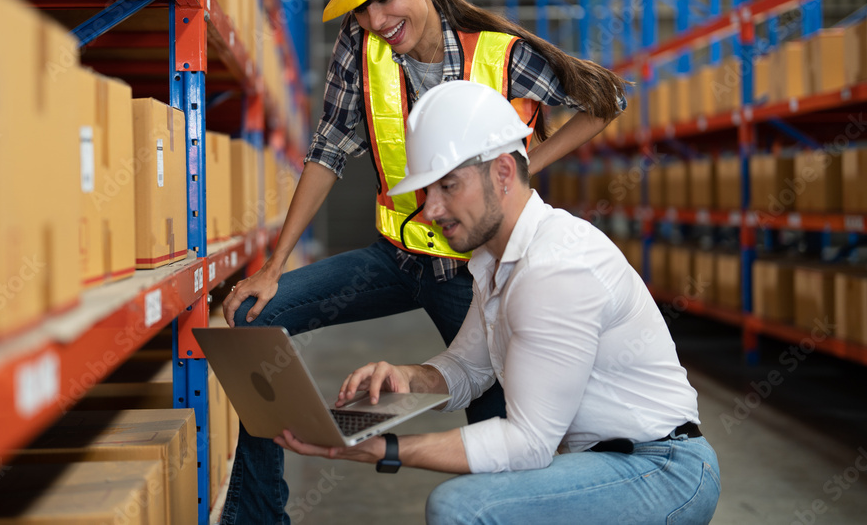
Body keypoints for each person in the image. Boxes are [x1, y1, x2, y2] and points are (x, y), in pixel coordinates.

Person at [218, 0, 629, 524]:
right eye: (362, 8)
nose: (376, 20)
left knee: (498, 425)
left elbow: (605, 99)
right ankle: (257, 517)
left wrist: (521, 168)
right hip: (396, 258)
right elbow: (328, 150)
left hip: (469, 274)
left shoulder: (500, 56)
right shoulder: (361, 47)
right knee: (255, 317)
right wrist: (272, 267)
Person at [275, 81, 721, 525]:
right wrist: (406, 378)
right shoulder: (495, 261)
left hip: (661, 471)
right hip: (607, 462)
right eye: (427, 191)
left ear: (503, 172)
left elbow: (528, 443)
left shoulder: (555, 268)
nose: (430, 210)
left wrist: (385, 449)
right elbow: (467, 369)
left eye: (448, 186)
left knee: (463, 506)